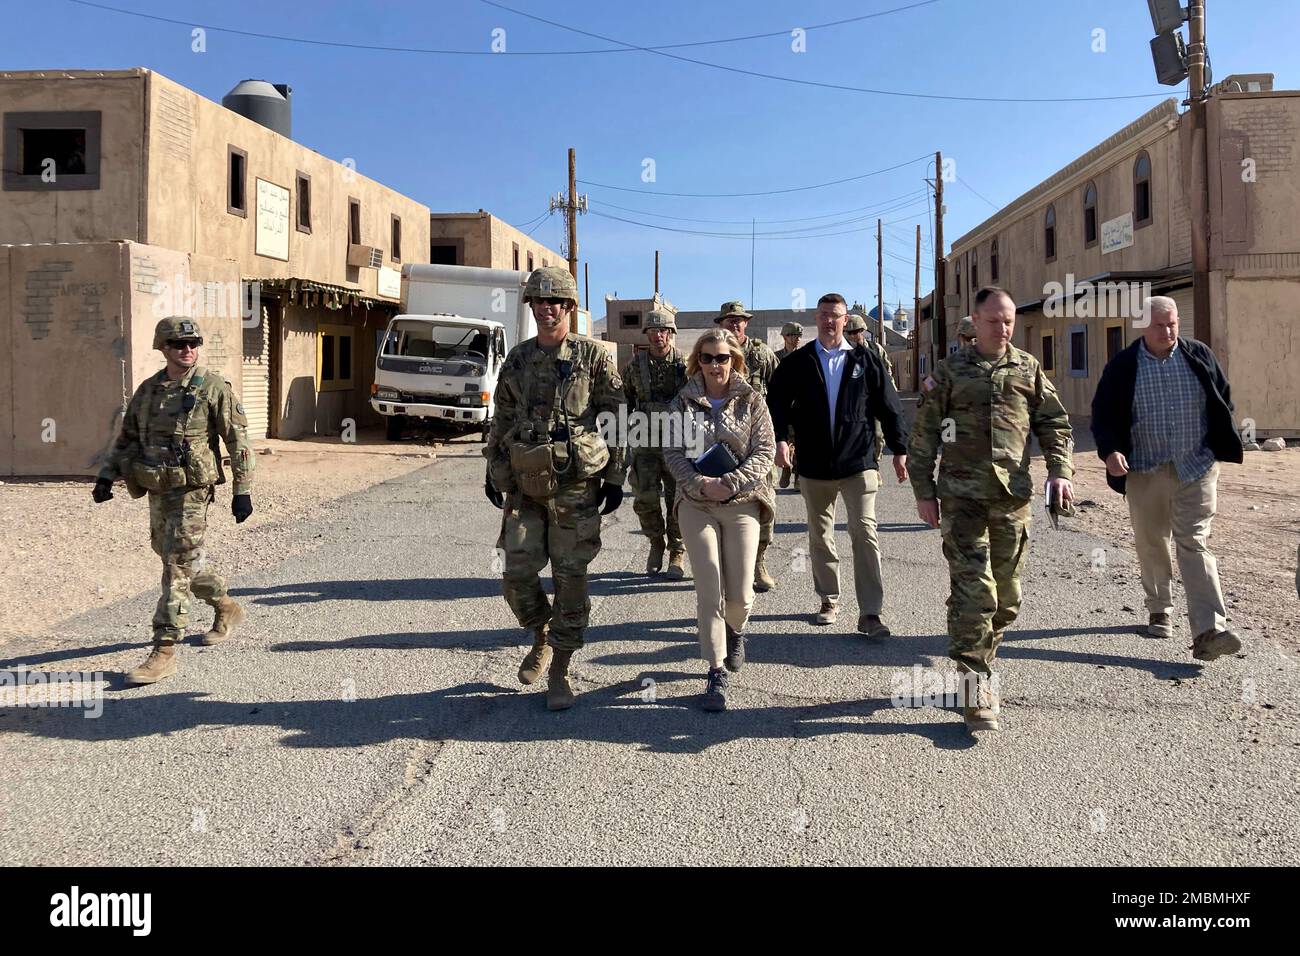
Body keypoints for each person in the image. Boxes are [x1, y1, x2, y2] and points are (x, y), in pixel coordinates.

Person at [908, 287, 1074, 733]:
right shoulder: (949, 373)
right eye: (994, 321)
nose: (1003, 329)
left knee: (1007, 598)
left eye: (1008, 322)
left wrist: (1060, 470)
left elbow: (1053, 421)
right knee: (974, 591)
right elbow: (923, 436)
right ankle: (975, 683)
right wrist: (924, 491)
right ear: (975, 322)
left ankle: (981, 661)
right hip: (961, 498)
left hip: (1012, 497)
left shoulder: (1027, 368)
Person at [483, 266, 627, 711]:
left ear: (568, 307)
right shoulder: (519, 359)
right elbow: (503, 416)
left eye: (556, 302)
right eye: (539, 302)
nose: (547, 309)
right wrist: (493, 467)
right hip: (525, 484)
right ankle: (540, 632)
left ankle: (561, 666)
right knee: (515, 570)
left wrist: (616, 476)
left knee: (570, 576)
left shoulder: (594, 358)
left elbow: (619, 418)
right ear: (532, 307)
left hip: (575, 485)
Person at [92, 316, 255, 685]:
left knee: (176, 567)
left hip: (192, 490)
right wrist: (106, 475)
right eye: (179, 344)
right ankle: (225, 606)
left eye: (193, 343)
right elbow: (127, 437)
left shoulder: (212, 387)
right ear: (162, 348)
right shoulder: (149, 390)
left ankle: (164, 650)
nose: (188, 349)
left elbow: (238, 440)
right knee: (174, 556)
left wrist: (242, 490)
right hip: (157, 487)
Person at [1090, 296, 1244, 661]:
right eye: (1160, 325)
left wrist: (1219, 440)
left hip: (1197, 464)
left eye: (1173, 323)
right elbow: (1103, 414)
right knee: (1151, 540)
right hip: (1144, 468)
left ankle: (1210, 629)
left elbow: (1223, 397)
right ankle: (1160, 608)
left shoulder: (1198, 355)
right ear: (1142, 325)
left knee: (1194, 541)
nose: (1169, 331)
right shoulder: (1124, 366)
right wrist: (1111, 452)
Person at [767, 293, 908, 637]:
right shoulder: (797, 362)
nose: (830, 321)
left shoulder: (866, 360)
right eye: (824, 315)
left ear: (847, 320)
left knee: (864, 532)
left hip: (858, 461)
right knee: (821, 536)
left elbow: (888, 406)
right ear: (817, 319)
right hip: (814, 466)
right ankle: (829, 598)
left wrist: (900, 449)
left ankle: (871, 613)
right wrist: (782, 440)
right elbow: (777, 404)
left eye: (837, 316)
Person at [663, 329, 775, 711]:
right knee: (709, 585)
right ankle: (715, 671)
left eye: (722, 358)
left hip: (742, 501)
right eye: (708, 358)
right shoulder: (683, 401)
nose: (715, 365)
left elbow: (764, 451)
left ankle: (737, 628)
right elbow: (672, 451)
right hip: (697, 503)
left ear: (735, 360)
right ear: (699, 360)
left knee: (740, 596)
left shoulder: (751, 400)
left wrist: (729, 481)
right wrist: (699, 483)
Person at [715, 300, 779, 591]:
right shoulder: (712, 354)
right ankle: (724, 568)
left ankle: (758, 562)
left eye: (739, 320)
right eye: (729, 320)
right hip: (721, 447)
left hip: (758, 444)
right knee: (721, 505)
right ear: (721, 324)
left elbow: (780, 395)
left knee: (763, 503)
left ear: (746, 323)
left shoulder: (762, 354)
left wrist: (785, 438)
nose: (735, 324)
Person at [621, 309, 688, 577]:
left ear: (671, 333)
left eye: (663, 331)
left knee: (678, 498)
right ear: (646, 334)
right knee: (645, 496)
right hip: (644, 440)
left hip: (677, 441)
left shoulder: (685, 364)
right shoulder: (635, 366)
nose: (658, 336)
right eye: (653, 331)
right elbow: (623, 402)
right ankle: (656, 542)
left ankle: (677, 550)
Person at [774, 322, 803, 490]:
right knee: (784, 438)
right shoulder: (776, 357)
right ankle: (786, 467)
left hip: (800, 406)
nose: (797, 339)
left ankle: (798, 476)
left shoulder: (806, 356)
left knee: (800, 440)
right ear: (785, 337)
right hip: (782, 406)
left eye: (799, 336)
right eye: (793, 335)